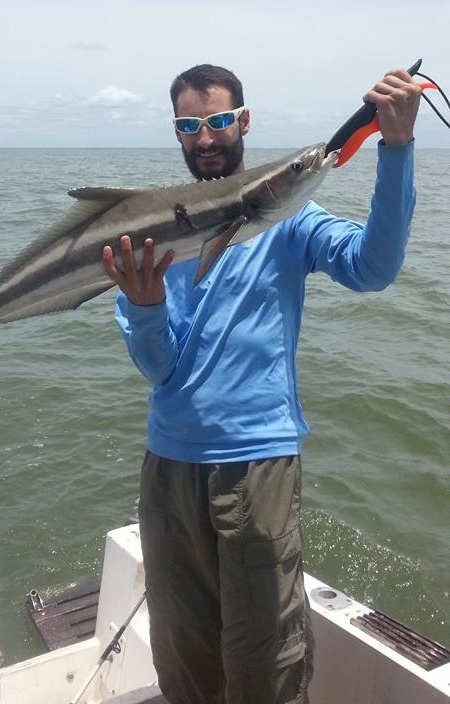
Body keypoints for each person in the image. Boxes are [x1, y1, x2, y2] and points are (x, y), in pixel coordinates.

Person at [102, 63, 421, 704]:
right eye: (189, 125)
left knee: (266, 660)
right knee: (182, 650)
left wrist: (397, 148)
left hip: (256, 464)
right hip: (168, 466)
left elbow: (373, 268)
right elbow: (160, 370)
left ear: (243, 122)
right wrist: (144, 306)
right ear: (178, 135)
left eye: (218, 120)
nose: (206, 137)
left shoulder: (291, 220)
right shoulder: (158, 233)